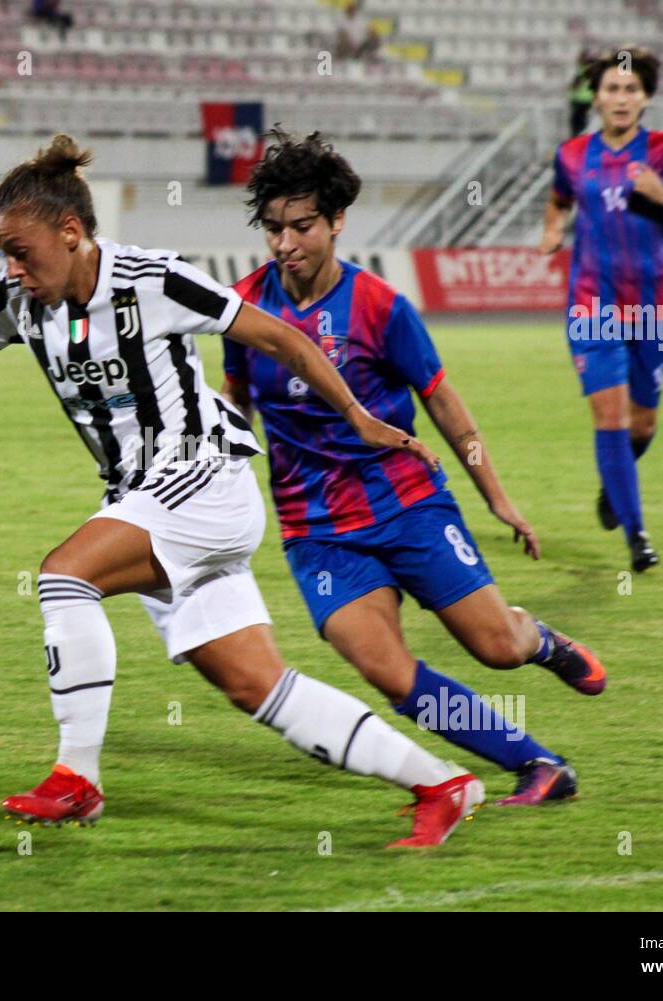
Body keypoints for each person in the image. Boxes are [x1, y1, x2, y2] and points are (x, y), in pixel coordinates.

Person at [0, 134, 486, 847]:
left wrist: (358, 415)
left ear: (71, 232)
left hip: (201, 478)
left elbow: (281, 338)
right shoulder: (15, 300)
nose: (11, 267)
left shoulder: (153, 280)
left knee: (65, 575)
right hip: (146, 498)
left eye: (21, 250)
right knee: (261, 688)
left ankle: (78, 778)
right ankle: (441, 782)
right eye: (2, 251)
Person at [221, 131, 604, 805]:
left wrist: (498, 499)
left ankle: (537, 638)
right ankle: (538, 764)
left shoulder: (380, 308)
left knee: (496, 647)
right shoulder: (244, 307)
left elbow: (448, 409)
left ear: (338, 221)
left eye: (301, 227)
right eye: (274, 229)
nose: (285, 245)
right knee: (387, 669)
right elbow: (238, 403)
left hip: (408, 503)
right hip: (317, 528)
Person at [539, 48, 663, 571]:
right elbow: (558, 199)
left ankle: (613, 487)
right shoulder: (572, 154)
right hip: (592, 304)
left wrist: (662, 194)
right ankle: (637, 536)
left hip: (652, 307)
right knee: (611, 415)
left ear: (646, 97)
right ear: (595, 97)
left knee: (641, 425)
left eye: (631, 89)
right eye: (612, 89)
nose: (621, 98)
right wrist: (552, 228)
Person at [568, 48, 595, 137]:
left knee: (581, 123)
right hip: (578, 99)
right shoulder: (580, 69)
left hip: (585, 99)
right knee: (577, 123)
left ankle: (580, 138)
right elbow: (573, 85)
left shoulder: (590, 70)